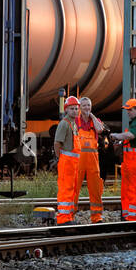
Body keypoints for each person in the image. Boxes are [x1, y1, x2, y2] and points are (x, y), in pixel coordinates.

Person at [110, 98, 136, 221]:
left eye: (130, 109)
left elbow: (131, 135)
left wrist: (117, 135)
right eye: (127, 109)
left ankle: (134, 217)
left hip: (135, 161)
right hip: (135, 161)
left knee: (134, 189)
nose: (128, 112)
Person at [75, 97, 106, 222]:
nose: (86, 108)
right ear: (79, 108)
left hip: (93, 161)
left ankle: (97, 217)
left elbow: (100, 129)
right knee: (74, 188)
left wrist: (92, 116)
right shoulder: (76, 121)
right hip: (78, 161)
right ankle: (69, 216)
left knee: (95, 189)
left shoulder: (95, 121)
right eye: (84, 106)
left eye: (88, 105)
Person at [53, 96, 81, 225]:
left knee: (72, 190)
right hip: (67, 161)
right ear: (66, 110)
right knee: (66, 190)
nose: (75, 111)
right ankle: (63, 218)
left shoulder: (73, 124)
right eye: (72, 108)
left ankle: (69, 217)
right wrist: (60, 158)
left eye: (76, 108)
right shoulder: (64, 124)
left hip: (73, 163)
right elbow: (57, 143)